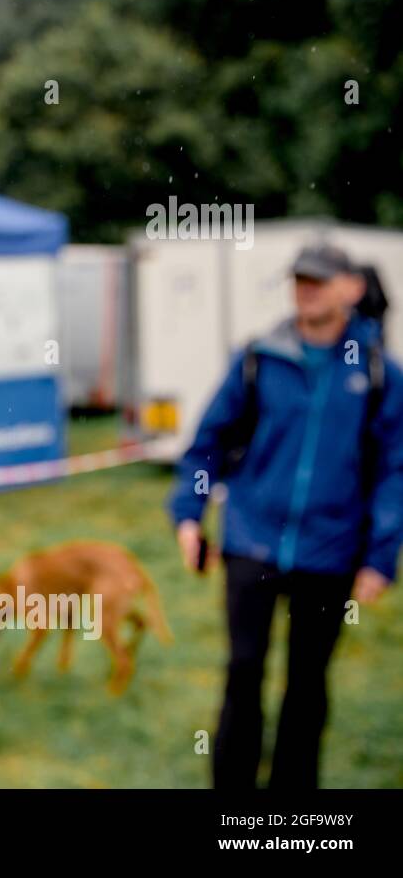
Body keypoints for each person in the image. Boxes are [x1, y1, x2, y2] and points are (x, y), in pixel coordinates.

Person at [168, 242, 403, 789]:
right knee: (243, 672)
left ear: (350, 288)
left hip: (331, 549)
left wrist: (380, 556)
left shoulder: (376, 371)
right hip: (251, 541)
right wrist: (188, 512)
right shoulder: (258, 358)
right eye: (299, 280)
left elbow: (395, 469)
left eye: (319, 280)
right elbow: (207, 443)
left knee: (307, 683)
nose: (306, 290)